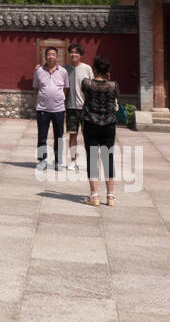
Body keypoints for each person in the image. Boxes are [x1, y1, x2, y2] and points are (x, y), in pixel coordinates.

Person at [80, 55, 120, 206]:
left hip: (91, 123)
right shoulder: (114, 85)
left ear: (94, 68)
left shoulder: (87, 83)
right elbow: (116, 97)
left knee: (92, 158)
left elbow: (85, 92)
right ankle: (110, 197)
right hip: (109, 124)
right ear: (108, 70)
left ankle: (94, 196)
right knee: (108, 158)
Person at [33, 47, 69, 171]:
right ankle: (42, 160)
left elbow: (65, 88)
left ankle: (58, 161)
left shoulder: (63, 71)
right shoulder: (38, 71)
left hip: (58, 109)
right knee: (42, 136)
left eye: (53, 54)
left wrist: (57, 97)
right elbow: (36, 88)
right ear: (45, 56)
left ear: (57, 57)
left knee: (59, 136)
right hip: (43, 108)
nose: (51, 57)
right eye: (49, 54)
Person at [63, 43, 92, 171]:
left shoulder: (87, 69)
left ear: (80, 54)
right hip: (70, 107)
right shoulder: (64, 69)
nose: (74, 54)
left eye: (76, 52)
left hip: (85, 108)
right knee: (73, 135)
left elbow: (92, 88)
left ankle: (91, 161)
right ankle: (73, 161)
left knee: (88, 135)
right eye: (72, 52)